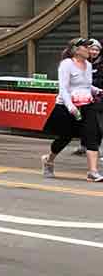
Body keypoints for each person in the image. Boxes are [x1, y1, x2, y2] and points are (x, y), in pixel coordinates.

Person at [41, 38, 103, 181]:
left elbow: (86, 86)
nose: (90, 50)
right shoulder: (66, 64)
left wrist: (98, 91)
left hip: (87, 105)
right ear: (76, 50)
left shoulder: (88, 65)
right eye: (86, 47)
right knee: (64, 138)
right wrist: (71, 106)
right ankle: (48, 160)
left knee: (92, 135)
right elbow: (64, 88)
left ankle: (93, 172)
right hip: (67, 106)